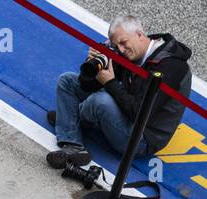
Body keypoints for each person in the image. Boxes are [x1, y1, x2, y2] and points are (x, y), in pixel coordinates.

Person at [47, 15, 193, 170]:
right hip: (127, 112)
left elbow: (140, 113)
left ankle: (72, 118)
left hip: (142, 138)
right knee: (67, 80)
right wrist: (94, 63)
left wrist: (110, 82)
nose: (121, 50)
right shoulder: (133, 50)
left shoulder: (172, 68)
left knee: (99, 101)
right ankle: (72, 142)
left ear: (139, 34)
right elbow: (87, 85)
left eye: (123, 43)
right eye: (117, 46)